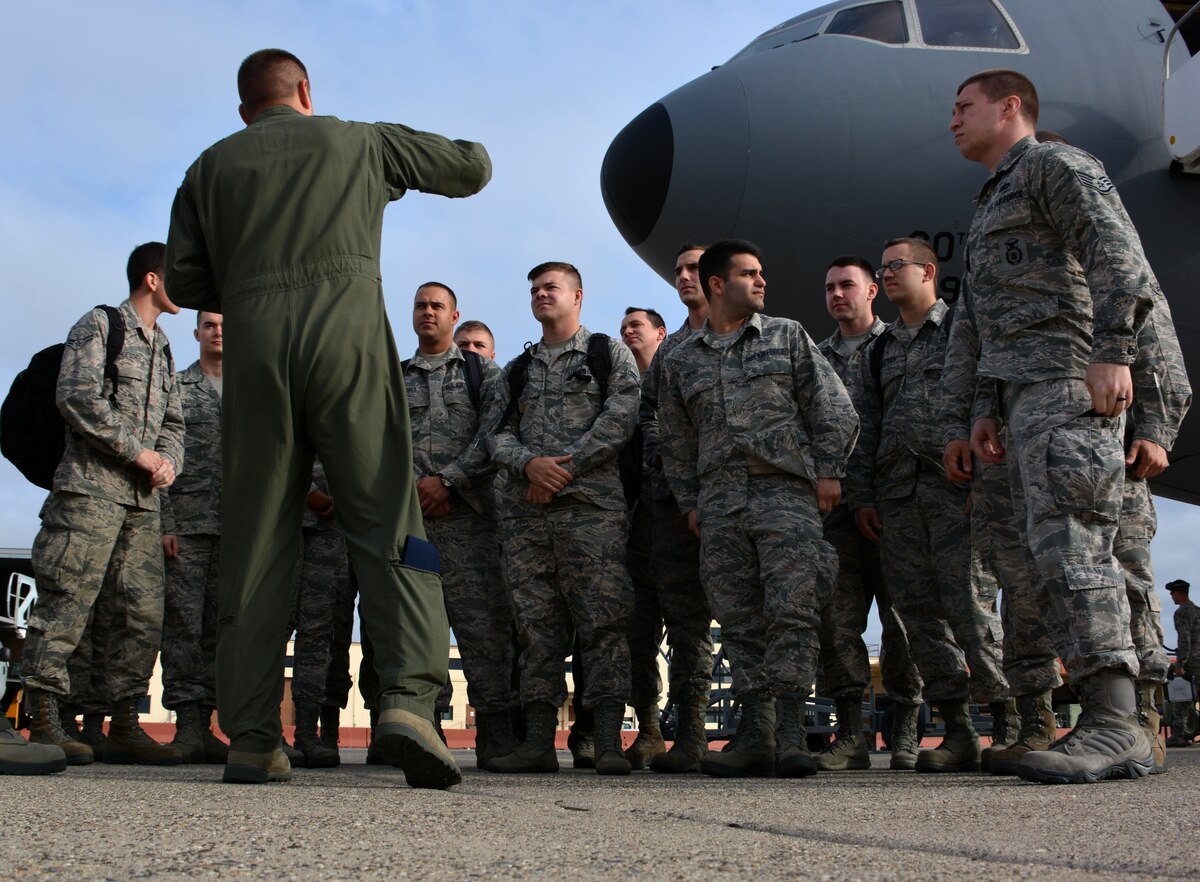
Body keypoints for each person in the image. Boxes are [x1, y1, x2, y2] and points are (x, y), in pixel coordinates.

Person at [164, 48, 491, 787]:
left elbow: (184, 278)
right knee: (391, 522)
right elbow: (472, 167)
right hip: (348, 344)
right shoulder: (360, 141)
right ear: (305, 90)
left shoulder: (208, 169)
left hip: (255, 355)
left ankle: (252, 734)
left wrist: (250, 279)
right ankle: (409, 702)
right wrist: (385, 160)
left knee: (254, 538)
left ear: (245, 110)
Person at [950, 68, 1159, 783]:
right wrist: (985, 406)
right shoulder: (992, 198)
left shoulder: (1055, 167)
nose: (954, 120)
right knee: (1050, 563)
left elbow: (1117, 253)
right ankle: (1104, 719)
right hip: (1022, 400)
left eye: (965, 106)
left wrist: (1114, 352)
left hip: (1070, 386)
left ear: (1010, 106)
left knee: (1077, 551)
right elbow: (988, 319)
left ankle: (1117, 724)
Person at [659, 239, 857, 779]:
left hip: (784, 495)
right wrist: (690, 502)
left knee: (792, 611)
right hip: (719, 505)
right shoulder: (680, 359)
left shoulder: (786, 336)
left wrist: (829, 470)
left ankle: (792, 732)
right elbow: (675, 440)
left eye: (760, 272)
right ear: (716, 284)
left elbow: (832, 407)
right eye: (749, 274)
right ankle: (756, 733)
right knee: (739, 617)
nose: (761, 281)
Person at [22, 241, 185, 767]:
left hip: (143, 503)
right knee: (69, 602)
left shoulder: (163, 348)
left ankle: (122, 723)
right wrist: (137, 452)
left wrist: (168, 461)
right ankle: (45, 716)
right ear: (153, 279)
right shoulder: (99, 325)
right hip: (89, 493)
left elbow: (174, 422)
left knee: (140, 613)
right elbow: (76, 396)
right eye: (178, 275)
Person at [848, 238, 1008, 774]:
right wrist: (864, 496)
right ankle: (958, 731)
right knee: (919, 619)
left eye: (897, 266)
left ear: (929, 271)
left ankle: (1014, 723)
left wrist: (986, 483)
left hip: (956, 492)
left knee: (971, 609)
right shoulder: (879, 349)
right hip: (898, 500)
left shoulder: (963, 328)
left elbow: (989, 402)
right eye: (883, 268)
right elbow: (867, 427)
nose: (888, 275)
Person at [487, 261, 640, 776]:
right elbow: (496, 433)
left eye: (550, 287)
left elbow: (619, 419)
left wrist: (562, 471)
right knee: (536, 628)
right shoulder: (517, 368)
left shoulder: (606, 354)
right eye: (534, 289)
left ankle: (608, 741)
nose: (540, 294)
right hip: (528, 516)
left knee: (604, 622)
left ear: (577, 296)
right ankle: (537, 742)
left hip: (590, 513)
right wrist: (529, 464)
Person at [404, 282, 517, 769]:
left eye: (438, 306)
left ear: (454, 316)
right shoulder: (393, 376)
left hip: (471, 524)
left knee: (484, 631)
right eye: (421, 305)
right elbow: (382, 439)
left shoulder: (483, 373)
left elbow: (494, 435)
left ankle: (495, 733)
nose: (428, 312)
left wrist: (447, 481)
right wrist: (417, 487)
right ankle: (420, 730)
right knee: (416, 632)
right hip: (414, 524)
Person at [816, 256, 923, 771]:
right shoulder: (815, 357)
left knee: (901, 621)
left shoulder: (897, 345)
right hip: (836, 513)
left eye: (847, 285)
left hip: (894, 504)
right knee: (837, 622)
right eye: (830, 288)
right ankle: (850, 735)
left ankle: (906, 728)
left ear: (872, 291)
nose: (838, 295)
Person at [640, 245, 716, 774]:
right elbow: (649, 415)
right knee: (686, 621)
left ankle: (768, 730)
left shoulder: (767, 335)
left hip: (747, 500)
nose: (685, 276)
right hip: (676, 506)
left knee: (756, 618)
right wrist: (669, 465)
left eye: (695, 268)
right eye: (680, 270)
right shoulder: (671, 351)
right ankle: (689, 734)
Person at [160, 310, 227, 764]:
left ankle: (207, 724)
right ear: (197, 332)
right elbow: (162, 454)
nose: (218, 332)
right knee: (182, 626)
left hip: (236, 530)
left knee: (220, 628)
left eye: (225, 325)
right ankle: (186, 725)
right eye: (209, 325)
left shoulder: (252, 391)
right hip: (186, 526)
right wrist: (165, 522)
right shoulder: (178, 388)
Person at [616, 306, 668, 767]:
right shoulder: (618, 387)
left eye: (636, 325)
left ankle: (691, 730)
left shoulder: (676, 377)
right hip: (633, 524)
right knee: (638, 631)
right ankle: (649, 728)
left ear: (660, 333)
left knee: (690, 630)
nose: (628, 332)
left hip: (678, 516)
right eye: (623, 328)